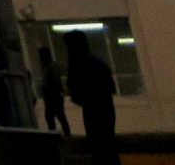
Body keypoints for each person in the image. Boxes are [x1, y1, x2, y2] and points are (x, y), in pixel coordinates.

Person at [65, 29, 119, 165]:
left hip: (95, 109)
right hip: (103, 108)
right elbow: (111, 87)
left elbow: (74, 88)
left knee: (100, 146)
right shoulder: (95, 63)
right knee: (107, 145)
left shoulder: (81, 65)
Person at [38, 47, 71, 135]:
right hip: (51, 95)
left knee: (56, 116)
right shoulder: (47, 66)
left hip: (53, 95)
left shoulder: (51, 66)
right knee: (55, 116)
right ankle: (63, 134)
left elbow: (55, 81)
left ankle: (63, 134)